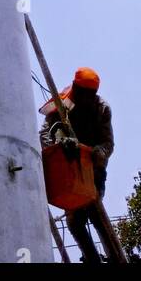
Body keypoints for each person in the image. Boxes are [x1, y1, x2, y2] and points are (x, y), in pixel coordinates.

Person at [40, 67, 115, 264]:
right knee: (74, 222)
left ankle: (115, 257)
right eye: (78, 92)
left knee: (95, 212)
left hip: (92, 170)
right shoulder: (63, 102)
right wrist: (58, 148)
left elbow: (108, 144)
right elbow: (45, 133)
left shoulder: (102, 109)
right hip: (69, 169)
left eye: (85, 95)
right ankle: (92, 260)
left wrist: (96, 153)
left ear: (93, 95)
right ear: (74, 87)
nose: (80, 98)